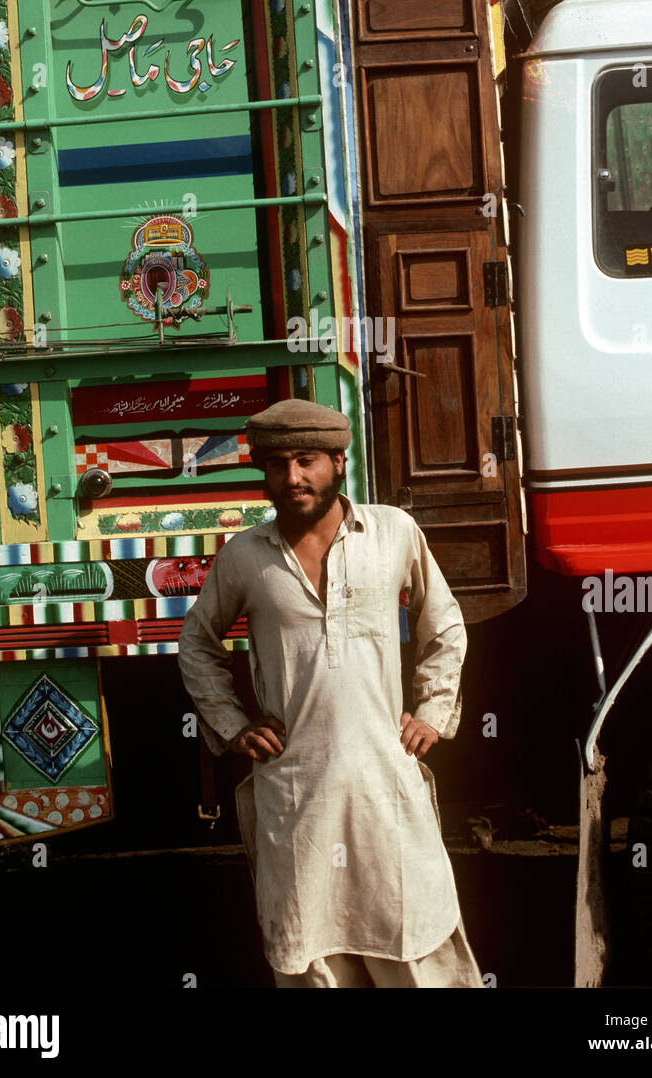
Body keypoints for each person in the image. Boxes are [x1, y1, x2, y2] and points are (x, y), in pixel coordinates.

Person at [177, 398, 483, 988]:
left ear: (339, 462)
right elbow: (197, 644)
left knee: (411, 935)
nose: (292, 478)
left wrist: (433, 711)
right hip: (299, 795)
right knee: (309, 952)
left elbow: (442, 623)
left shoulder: (392, 532)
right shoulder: (245, 556)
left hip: (382, 786)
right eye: (276, 465)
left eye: (306, 461)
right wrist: (234, 724)